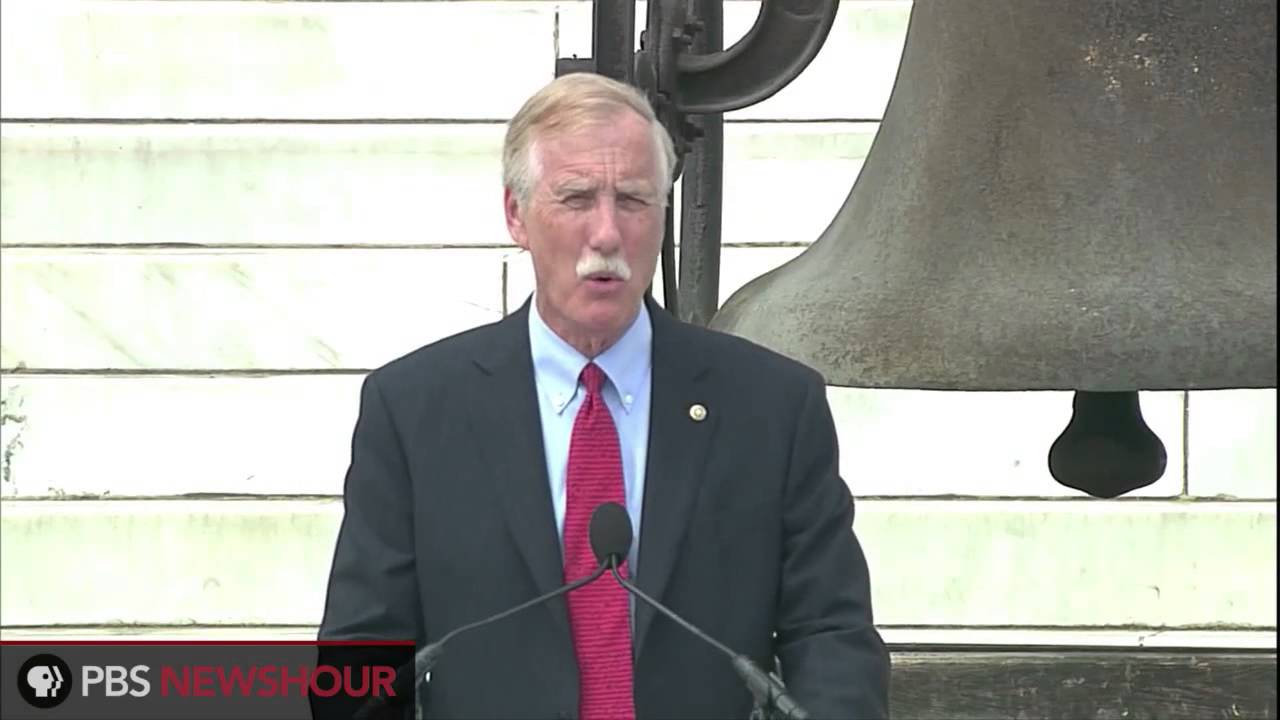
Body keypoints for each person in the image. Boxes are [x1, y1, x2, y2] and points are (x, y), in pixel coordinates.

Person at [317, 71, 890, 720]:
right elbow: (359, 661)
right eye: (577, 198)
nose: (608, 233)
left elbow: (832, 640)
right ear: (516, 215)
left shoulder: (774, 408)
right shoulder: (415, 411)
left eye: (634, 201)